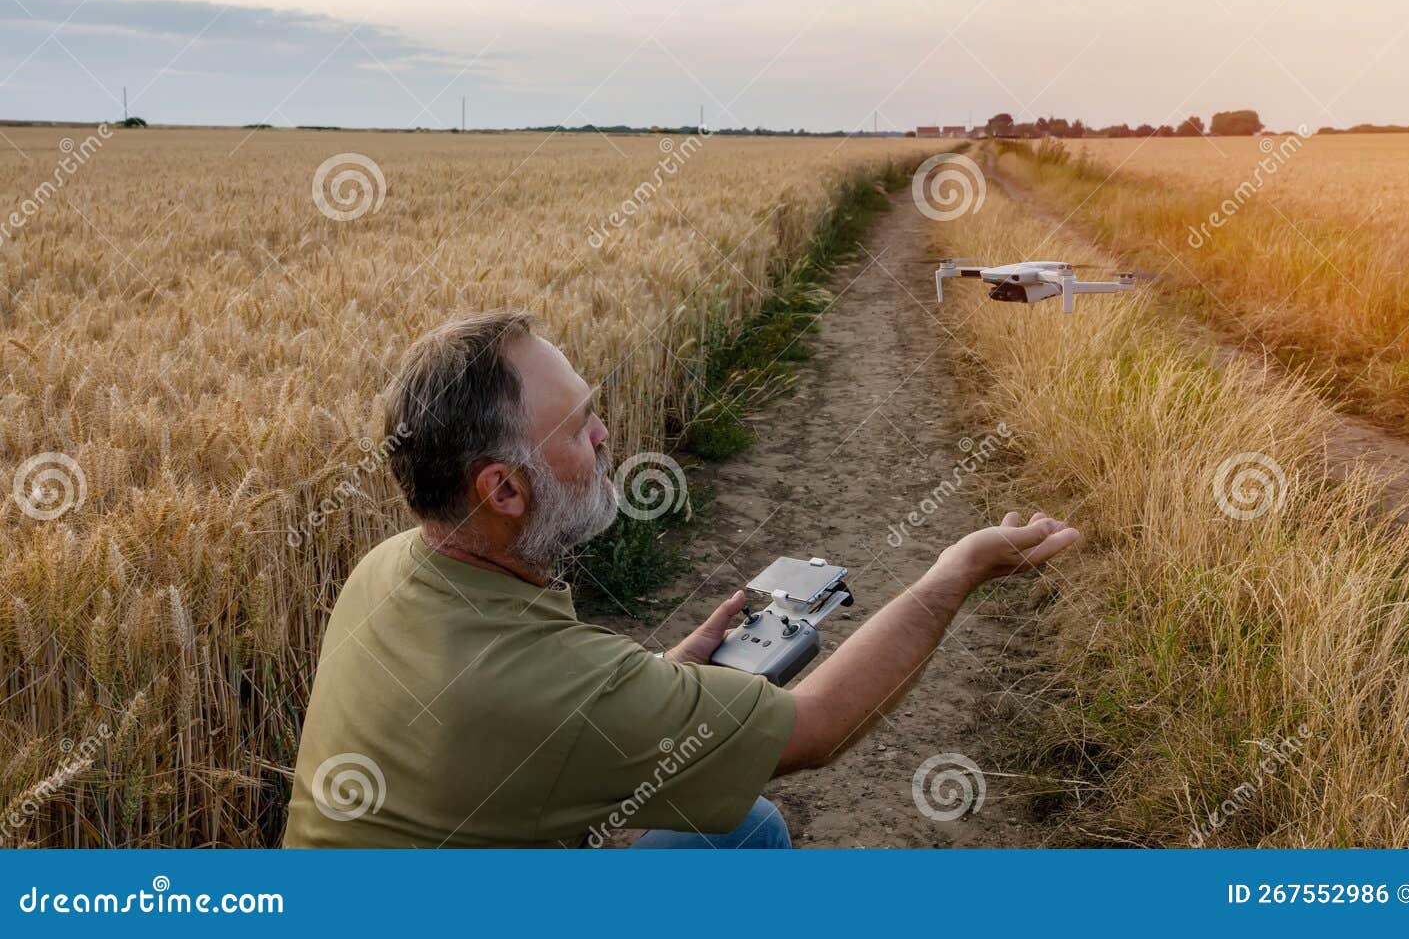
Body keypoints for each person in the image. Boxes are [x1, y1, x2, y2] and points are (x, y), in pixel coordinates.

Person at [283, 311, 1079, 848]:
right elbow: (819, 726)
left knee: (737, 827)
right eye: (579, 425)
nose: (604, 434)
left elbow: (529, 735)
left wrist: (665, 676)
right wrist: (958, 571)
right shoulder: (548, 686)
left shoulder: (386, 567)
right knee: (752, 829)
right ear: (503, 489)